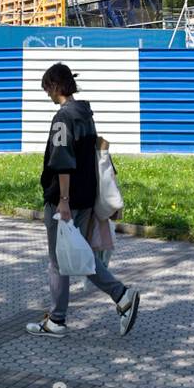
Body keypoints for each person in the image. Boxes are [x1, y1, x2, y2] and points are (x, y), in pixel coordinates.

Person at [26, 62, 140, 338]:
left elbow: (63, 161)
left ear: (55, 87)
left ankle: (115, 297)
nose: (47, 96)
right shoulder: (85, 113)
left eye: (47, 89)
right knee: (79, 255)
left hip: (67, 200)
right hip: (87, 197)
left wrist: (63, 201)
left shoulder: (63, 119)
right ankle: (65, 316)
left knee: (59, 260)